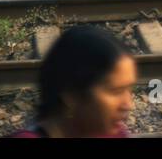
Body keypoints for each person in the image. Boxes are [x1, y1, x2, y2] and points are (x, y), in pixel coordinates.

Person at [8, 25, 136, 138]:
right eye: (116, 91)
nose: (128, 105)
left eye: (129, 89)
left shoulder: (115, 134)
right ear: (72, 95)